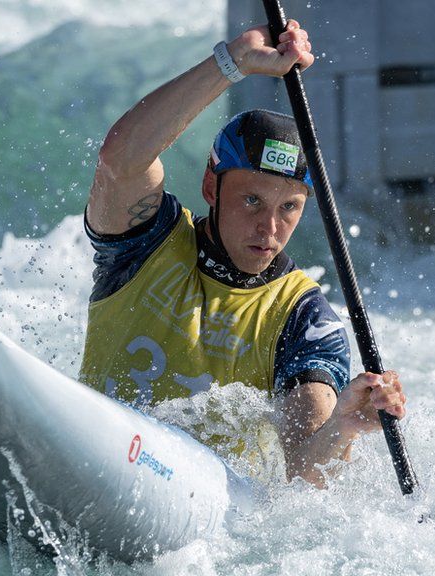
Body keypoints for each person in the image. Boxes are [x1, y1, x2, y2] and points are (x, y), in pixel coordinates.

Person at [80, 19, 407, 487]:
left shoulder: (305, 320)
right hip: (92, 452)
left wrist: (343, 428)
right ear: (212, 185)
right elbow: (120, 159)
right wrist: (231, 63)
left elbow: (302, 473)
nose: (269, 228)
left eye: (289, 207)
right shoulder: (146, 243)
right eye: (252, 200)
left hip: (202, 519)